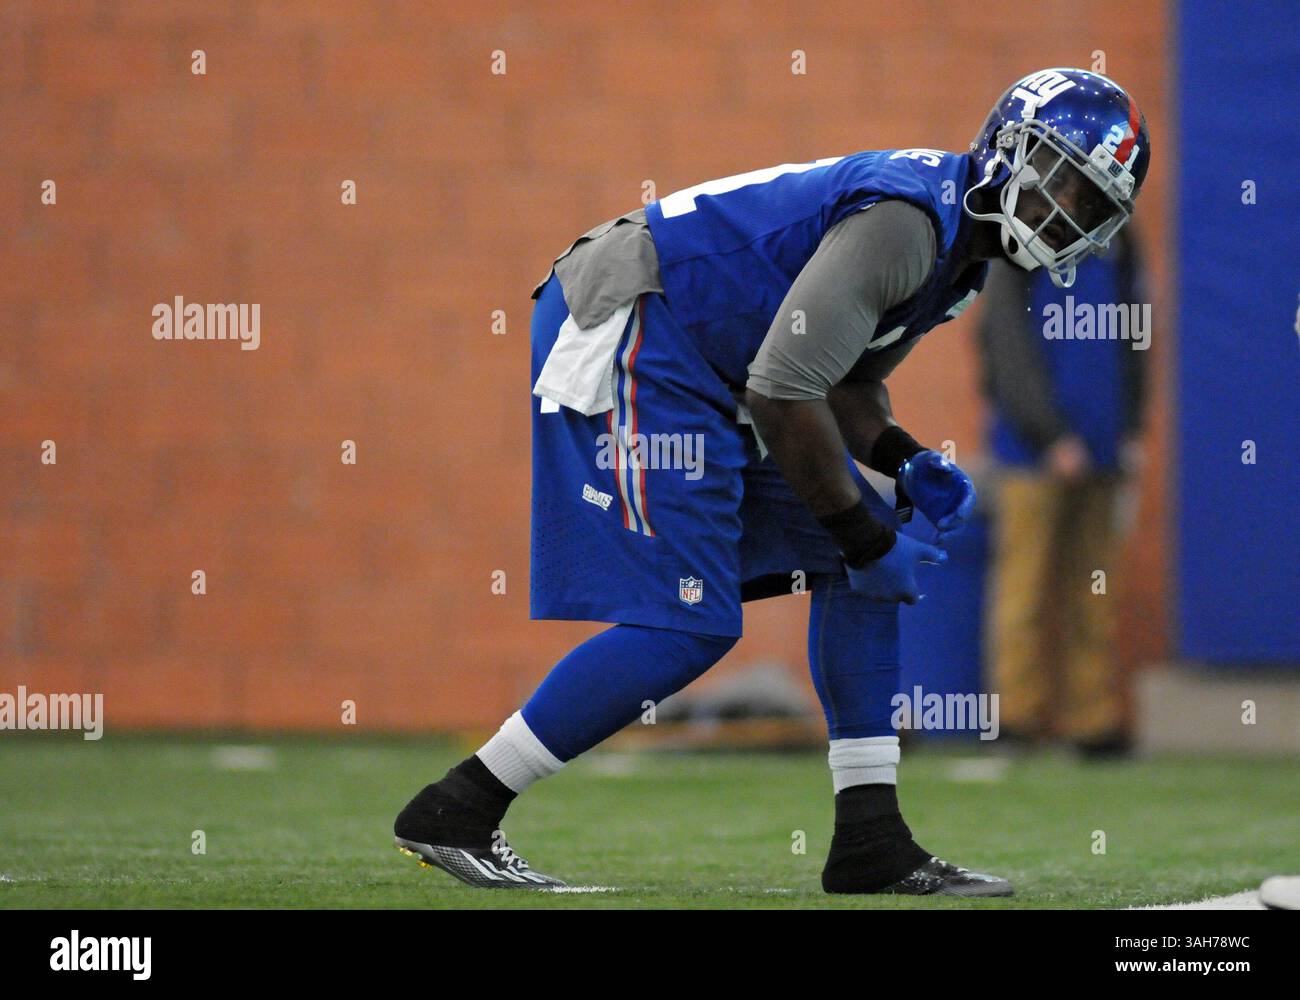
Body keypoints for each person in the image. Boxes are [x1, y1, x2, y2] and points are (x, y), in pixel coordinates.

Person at [394, 68, 1151, 894]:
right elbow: (783, 390)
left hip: (705, 355)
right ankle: (459, 807)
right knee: (691, 619)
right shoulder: (907, 223)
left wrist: (903, 457)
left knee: (855, 570)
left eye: (1089, 202)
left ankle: (871, 841)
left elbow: (842, 380)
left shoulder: (961, 253)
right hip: (639, 315)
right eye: (1060, 180)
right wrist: (866, 536)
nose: (1066, 211)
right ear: (1008, 149)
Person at [979, 227, 1149, 758]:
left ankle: (1091, 720)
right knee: (1024, 587)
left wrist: (1131, 426)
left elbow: (1135, 331)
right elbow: (1004, 343)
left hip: (1105, 448)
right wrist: (1049, 436)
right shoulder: (1021, 238)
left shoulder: (1121, 239)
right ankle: (1015, 719)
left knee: (1095, 591)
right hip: (1032, 455)